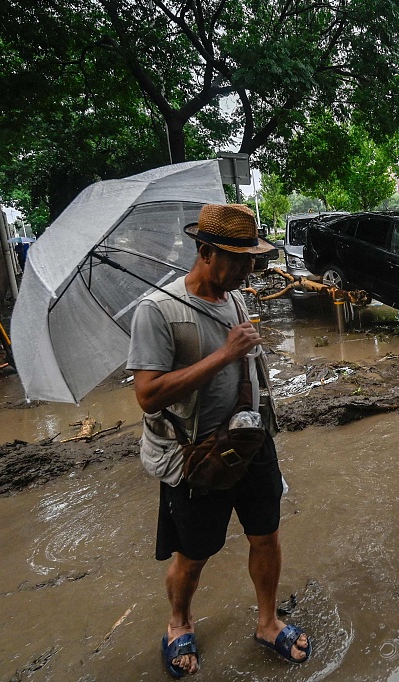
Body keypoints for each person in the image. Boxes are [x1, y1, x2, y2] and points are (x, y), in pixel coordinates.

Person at [127, 203, 312, 677]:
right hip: (195, 457)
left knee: (266, 536)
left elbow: (241, 366)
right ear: (205, 252)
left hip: (250, 441)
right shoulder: (157, 311)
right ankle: (178, 623)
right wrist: (226, 352)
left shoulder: (234, 297)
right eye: (240, 259)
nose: (250, 268)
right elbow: (147, 395)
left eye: (252, 257)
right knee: (194, 553)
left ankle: (268, 622)